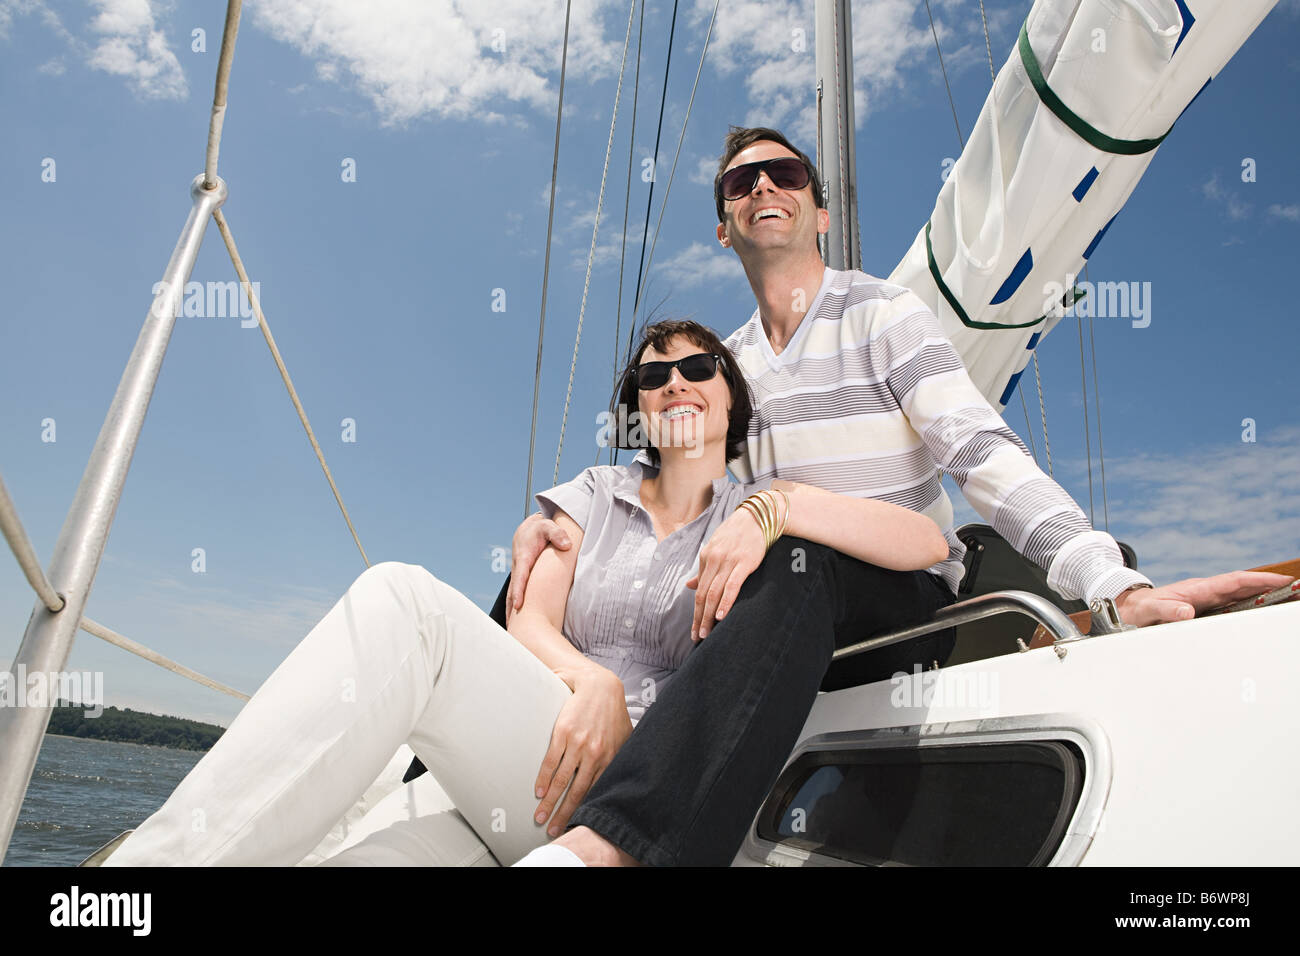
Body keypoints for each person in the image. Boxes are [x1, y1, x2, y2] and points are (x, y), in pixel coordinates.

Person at [509, 126, 1291, 867]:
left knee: (802, 556)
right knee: (766, 562)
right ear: (724, 225)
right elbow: (681, 488)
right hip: (774, 623)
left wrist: (1112, 584)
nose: (764, 186)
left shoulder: (883, 315)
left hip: (898, 602)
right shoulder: (730, 363)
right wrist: (560, 524)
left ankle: (615, 846)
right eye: (740, 182)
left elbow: (981, 454)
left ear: (819, 209)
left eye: (787, 173)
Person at [101, 318, 949, 867]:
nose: (676, 382)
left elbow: (925, 543)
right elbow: (531, 617)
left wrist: (777, 508)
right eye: (653, 379)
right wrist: (592, 681)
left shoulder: (756, 520)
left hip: (650, 776)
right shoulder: (589, 496)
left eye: (699, 367)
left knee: (403, 603)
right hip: (525, 753)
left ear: (733, 398)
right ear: (638, 414)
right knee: (398, 628)